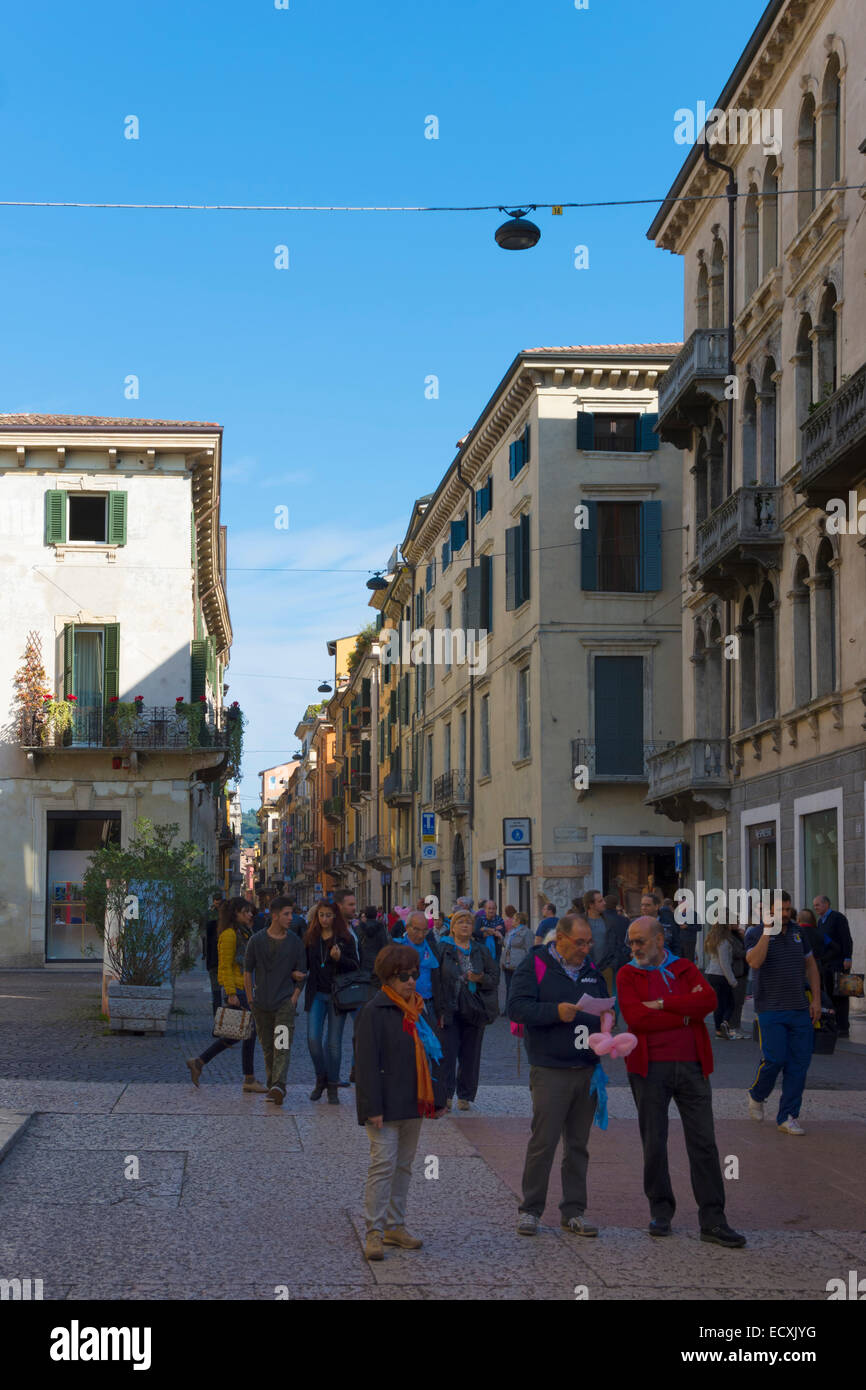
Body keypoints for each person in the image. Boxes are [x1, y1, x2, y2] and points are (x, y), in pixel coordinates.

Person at [617, 915, 746, 1247]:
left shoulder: (685, 968)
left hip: (692, 1066)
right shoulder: (627, 973)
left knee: (703, 1142)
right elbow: (635, 1018)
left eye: (640, 941)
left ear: (660, 940)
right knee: (654, 1141)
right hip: (649, 1068)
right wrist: (684, 1017)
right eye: (631, 942)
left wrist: (662, 1004)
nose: (634, 947)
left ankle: (713, 1219)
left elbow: (708, 1003)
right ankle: (661, 1211)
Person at [509, 915, 609, 1238]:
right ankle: (530, 1210)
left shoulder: (591, 971)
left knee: (578, 1145)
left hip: (587, 1068)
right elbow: (517, 1008)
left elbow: (604, 1005)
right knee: (544, 1142)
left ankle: (574, 1211)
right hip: (551, 1068)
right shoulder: (535, 964)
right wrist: (555, 1011)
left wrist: (609, 1018)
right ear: (560, 939)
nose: (585, 948)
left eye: (588, 942)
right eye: (580, 943)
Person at [355, 943, 447, 1261]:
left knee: (404, 1166)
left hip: (414, 1101)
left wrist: (439, 1098)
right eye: (403, 976)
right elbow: (365, 1064)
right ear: (388, 979)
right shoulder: (374, 1012)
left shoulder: (420, 1009)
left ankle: (395, 1225)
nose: (410, 981)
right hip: (385, 1105)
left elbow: (435, 1054)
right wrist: (372, 1108)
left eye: (414, 974)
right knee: (382, 1165)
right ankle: (374, 1232)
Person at [746, 892, 822, 1134]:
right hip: (771, 1009)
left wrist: (817, 1000)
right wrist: (768, 931)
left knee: (799, 1065)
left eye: (789, 910)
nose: (786, 915)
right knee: (775, 1059)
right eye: (781, 910)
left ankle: (788, 1116)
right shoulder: (755, 933)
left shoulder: (799, 932)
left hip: (799, 1008)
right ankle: (758, 1094)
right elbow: (754, 962)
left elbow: (810, 965)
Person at [186, 897, 266, 1092]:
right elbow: (225, 966)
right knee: (248, 1033)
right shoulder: (230, 935)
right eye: (245, 911)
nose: (250, 914)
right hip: (238, 990)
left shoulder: (245, 933)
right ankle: (249, 1079)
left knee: (238, 1034)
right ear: (235, 914)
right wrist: (230, 993)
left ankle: (199, 1061)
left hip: (246, 988)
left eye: (250, 911)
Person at [244, 896, 307, 1106]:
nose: (291, 918)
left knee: (282, 1044)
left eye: (292, 914)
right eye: (287, 914)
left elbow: (302, 972)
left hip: (283, 1003)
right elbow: (247, 970)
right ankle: (273, 1085)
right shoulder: (256, 940)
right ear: (275, 916)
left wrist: (294, 998)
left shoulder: (295, 942)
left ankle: (279, 1085)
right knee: (268, 1047)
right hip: (261, 1003)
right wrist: (251, 999)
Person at [438, 909, 499, 1110]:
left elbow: (494, 977)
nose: (465, 925)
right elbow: (435, 979)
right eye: (460, 922)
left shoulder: (481, 950)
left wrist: (480, 978)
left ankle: (465, 1095)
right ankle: (445, 1094)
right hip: (450, 1007)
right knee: (447, 1052)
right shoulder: (443, 948)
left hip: (474, 1008)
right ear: (453, 927)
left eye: (468, 922)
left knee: (471, 1055)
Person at [304, 899, 360, 1104]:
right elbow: (304, 964)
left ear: (335, 916)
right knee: (313, 1039)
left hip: (337, 997)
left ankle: (333, 1086)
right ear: (317, 917)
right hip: (317, 994)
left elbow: (355, 966)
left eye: (328, 915)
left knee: (334, 1044)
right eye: (321, 915)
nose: (325, 919)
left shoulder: (345, 938)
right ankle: (322, 1078)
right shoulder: (311, 937)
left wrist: (340, 959)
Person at [813, 895, 853, 1038]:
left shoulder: (837, 918)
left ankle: (843, 1027)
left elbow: (846, 938)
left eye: (817, 905)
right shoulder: (820, 921)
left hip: (839, 963)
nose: (815, 908)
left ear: (826, 904)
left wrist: (848, 957)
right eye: (814, 905)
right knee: (830, 994)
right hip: (827, 963)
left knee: (841, 995)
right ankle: (834, 1023)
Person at [401, 910, 444, 1025]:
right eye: (416, 929)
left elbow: (439, 979)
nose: (421, 935)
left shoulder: (432, 946)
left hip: (429, 1005)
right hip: (405, 1005)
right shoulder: (397, 948)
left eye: (425, 930)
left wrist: (440, 1011)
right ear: (407, 927)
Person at [703, 922, 741, 1040]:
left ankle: (719, 1029)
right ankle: (723, 1024)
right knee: (730, 1003)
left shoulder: (711, 939)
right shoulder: (723, 942)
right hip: (721, 975)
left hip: (711, 973)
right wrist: (732, 981)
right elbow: (724, 963)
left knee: (719, 1003)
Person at [599, 895, 630, 996]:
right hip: (622, 958)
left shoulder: (599, 920)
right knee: (620, 989)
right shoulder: (624, 920)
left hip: (604, 959)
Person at [502, 912, 534, 1011]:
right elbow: (506, 944)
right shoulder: (511, 931)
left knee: (517, 987)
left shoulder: (527, 932)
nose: (512, 921)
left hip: (519, 964)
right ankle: (508, 1008)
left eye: (514, 919)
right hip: (507, 963)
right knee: (508, 986)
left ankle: (517, 1007)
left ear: (519, 920)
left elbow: (529, 949)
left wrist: (528, 965)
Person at [727, 923, 749, 1038]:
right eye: (735, 921)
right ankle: (733, 1027)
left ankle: (736, 1026)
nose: (738, 923)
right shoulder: (728, 937)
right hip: (736, 972)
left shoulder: (738, 935)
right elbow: (736, 953)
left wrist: (744, 937)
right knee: (736, 1002)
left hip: (743, 971)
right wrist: (749, 952)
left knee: (740, 1002)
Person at [203, 895, 223, 1015]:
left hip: (216, 963)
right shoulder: (210, 917)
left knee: (218, 993)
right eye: (217, 904)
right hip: (215, 963)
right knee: (217, 993)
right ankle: (218, 1020)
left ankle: (220, 1020)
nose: (218, 907)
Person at [582, 889, 608, 965]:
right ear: (591, 905)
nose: (604, 903)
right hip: (586, 968)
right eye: (600, 901)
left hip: (606, 968)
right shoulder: (580, 922)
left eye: (603, 900)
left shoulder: (609, 921)